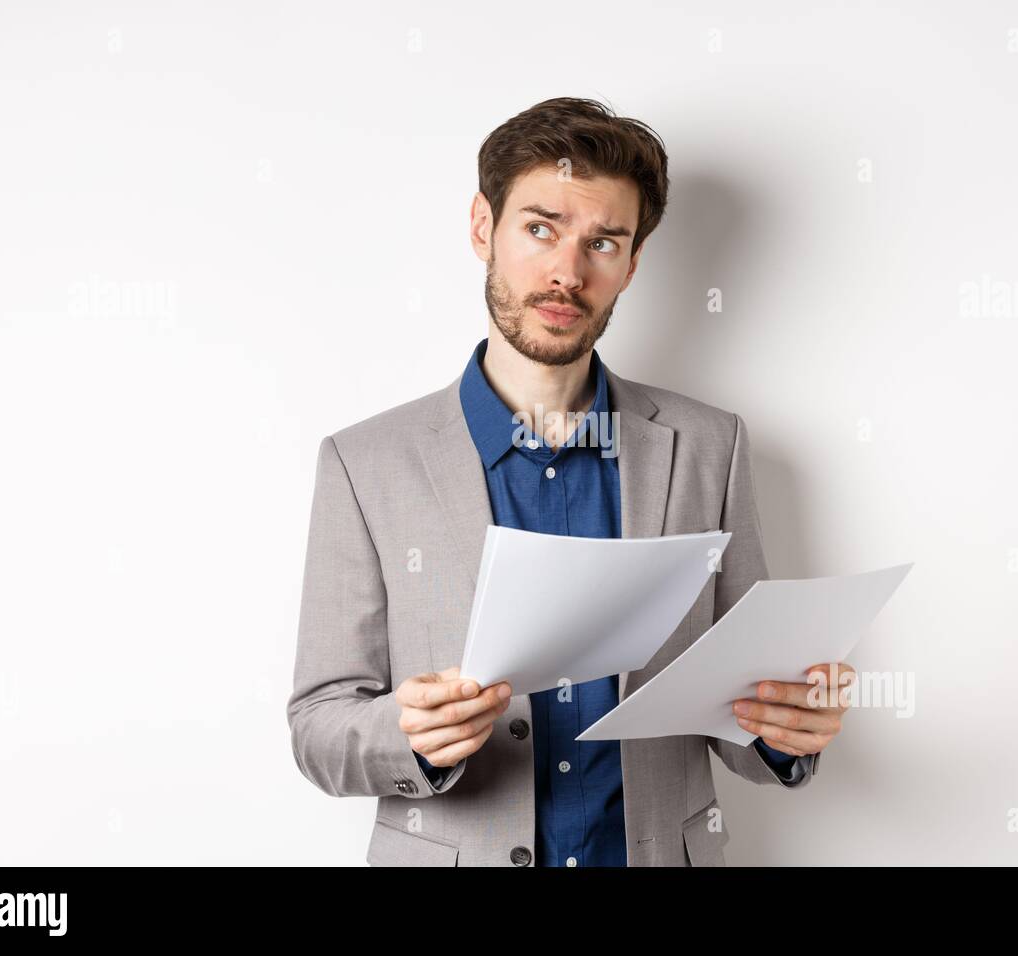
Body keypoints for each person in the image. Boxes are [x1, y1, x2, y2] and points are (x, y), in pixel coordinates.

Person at [286, 97, 853, 866]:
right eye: (541, 228)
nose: (567, 271)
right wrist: (408, 736)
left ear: (632, 262)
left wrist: (786, 733)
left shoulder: (710, 446)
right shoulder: (365, 463)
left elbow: (744, 713)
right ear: (483, 227)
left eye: (604, 241)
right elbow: (319, 728)